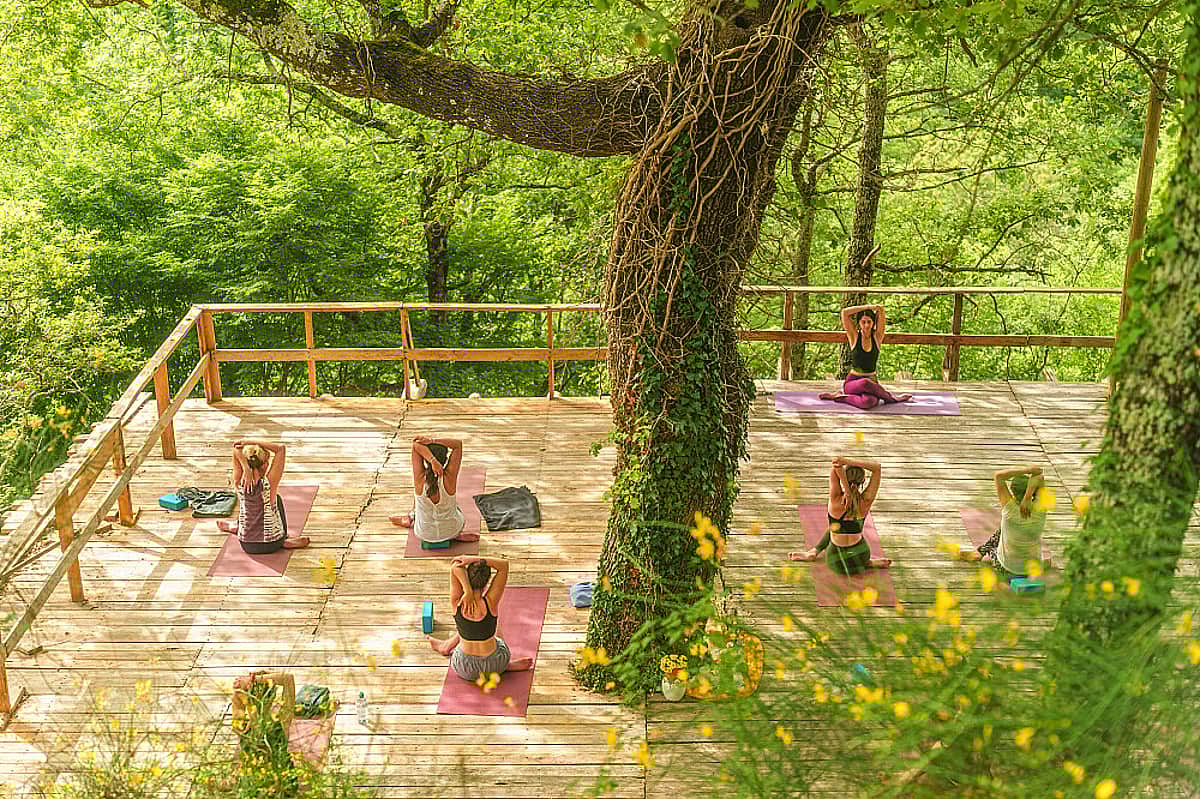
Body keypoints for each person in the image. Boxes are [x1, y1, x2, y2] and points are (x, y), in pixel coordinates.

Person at [427, 556, 533, 680]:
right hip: (495, 665)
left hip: (464, 668)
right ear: (487, 582)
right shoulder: (490, 602)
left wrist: (467, 591)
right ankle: (506, 666)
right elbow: (503, 565)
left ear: (466, 579)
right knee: (494, 625)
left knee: (466, 628)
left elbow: (455, 565)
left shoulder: (457, 602)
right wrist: (472, 559)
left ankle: (446, 647)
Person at [788, 456, 891, 572]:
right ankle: (868, 563)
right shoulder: (866, 501)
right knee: (842, 528)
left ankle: (813, 552)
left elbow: (836, 463)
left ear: (844, 479)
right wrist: (849, 462)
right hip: (861, 559)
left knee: (835, 527)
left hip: (836, 562)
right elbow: (877, 468)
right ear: (862, 481)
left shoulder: (835, 498)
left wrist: (846, 490)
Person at [820, 303, 912, 409]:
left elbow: (881, 309)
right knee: (864, 382)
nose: (866, 325)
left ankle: (839, 397)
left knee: (869, 402)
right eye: (863, 322)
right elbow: (844, 313)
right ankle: (891, 399)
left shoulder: (877, 337)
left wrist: (875, 309)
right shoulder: (854, 337)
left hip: (872, 382)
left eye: (869, 322)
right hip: (853, 383)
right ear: (859, 323)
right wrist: (867, 307)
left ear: (873, 323)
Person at [389, 436, 480, 543]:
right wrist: (433, 441)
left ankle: (410, 517)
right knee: (456, 507)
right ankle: (456, 536)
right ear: (446, 459)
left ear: (425, 458)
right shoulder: (449, 478)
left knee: (419, 501)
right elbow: (458, 444)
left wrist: (432, 461)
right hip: (451, 531)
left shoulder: (420, 478)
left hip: (423, 533)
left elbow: (415, 446)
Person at [965, 466, 1047, 582]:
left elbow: (999, 476)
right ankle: (980, 551)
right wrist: (1028, 496)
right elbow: (1040, 476)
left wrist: (1027, 470)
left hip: (1007, 569)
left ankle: (981, 552)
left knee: (995, 545)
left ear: (1013, 492)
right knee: (1004, 530)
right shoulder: (1041, 509)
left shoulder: (1010, 509)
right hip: (1034, 569)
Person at [230, 439, 309, 552]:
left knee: (248, 506)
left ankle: (237, 526)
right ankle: (284, 540)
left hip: (246, 544)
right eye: (267, 461)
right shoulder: (268, 484)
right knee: (276, 498)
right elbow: (280, 448)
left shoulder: (239, 482)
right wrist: (249, 441)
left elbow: (235, 449)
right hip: (272, 543)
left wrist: (246, 468)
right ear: (264, 465)